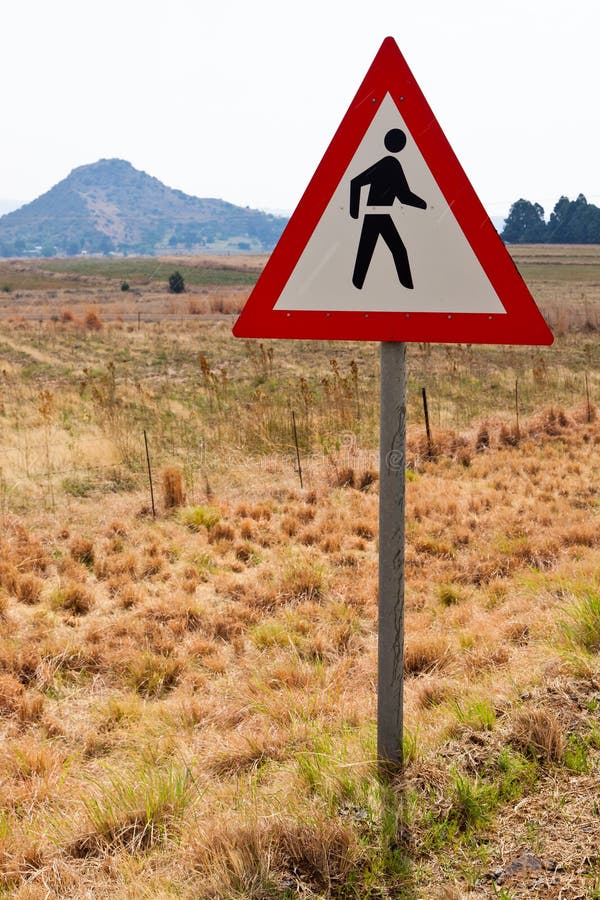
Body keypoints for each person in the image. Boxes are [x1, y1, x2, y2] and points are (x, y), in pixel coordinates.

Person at [350, 128, 426, 290]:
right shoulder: (389, 163)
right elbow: (355, 182)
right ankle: (408, 289)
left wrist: (426, 205)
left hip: (378, 215)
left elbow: (403, 196)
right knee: (395, 251)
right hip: (377, 215)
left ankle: (357, 288)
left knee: (369, 254)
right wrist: (353, 212)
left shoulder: (390, 164)